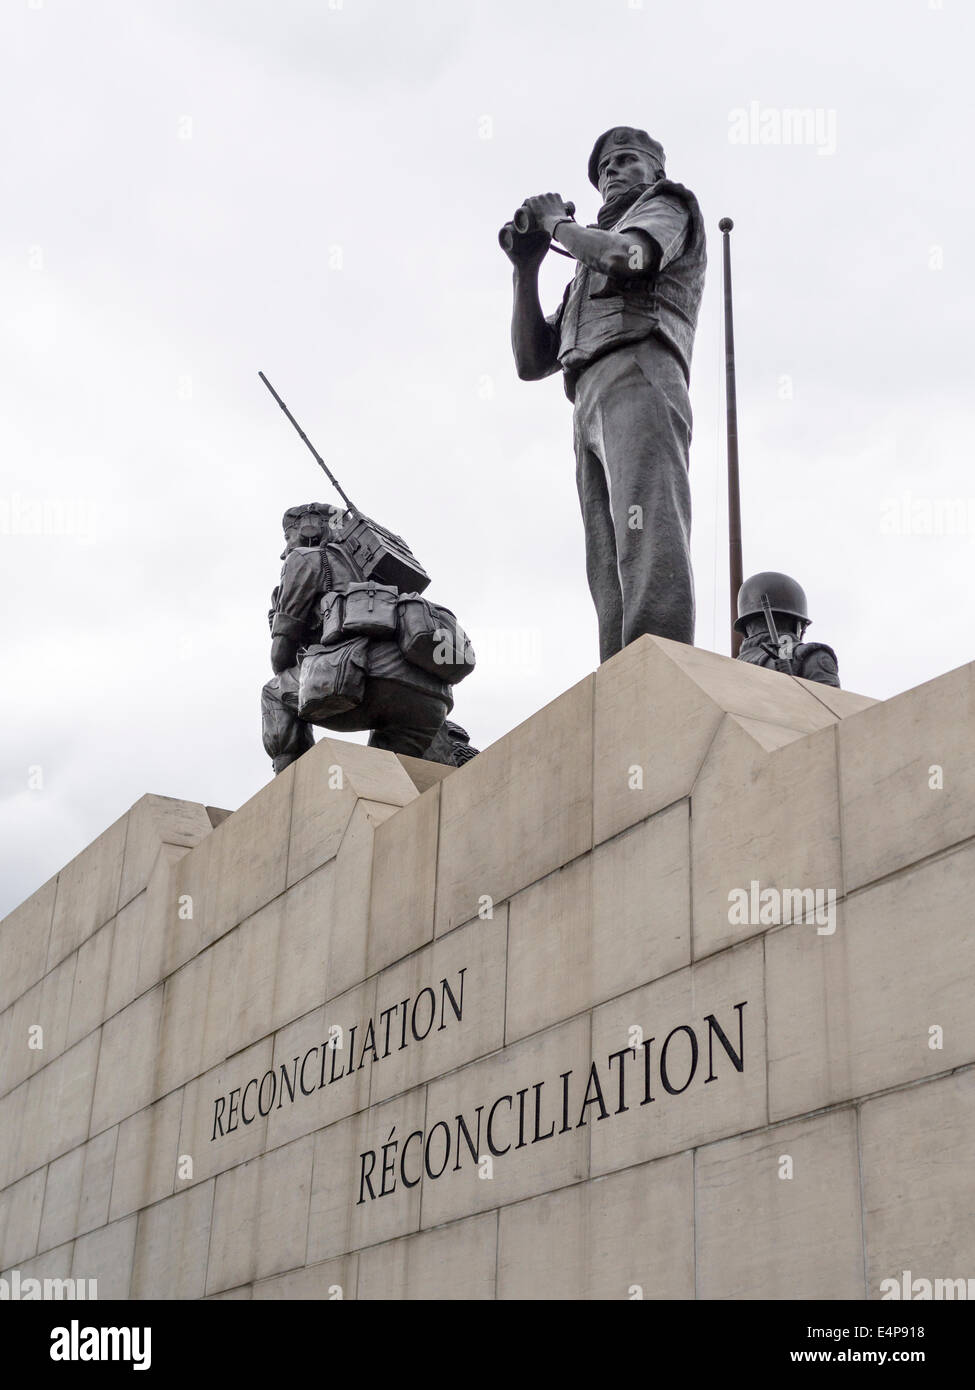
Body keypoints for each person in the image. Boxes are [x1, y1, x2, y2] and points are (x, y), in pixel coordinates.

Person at [501, 125, 707, 661]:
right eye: (604, 168)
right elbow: (530, 361)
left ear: (654, 170)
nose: (612, 171)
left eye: (626, 160)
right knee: (606, 548)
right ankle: (621, 673)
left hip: (638, 372)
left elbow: (627, 259)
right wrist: (526, 267)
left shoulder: (667, 205)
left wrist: (558, 225)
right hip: (586, 398)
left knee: (648, 521)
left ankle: (657, 664)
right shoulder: (582, 263)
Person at [261, 503, 473, 772]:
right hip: (431, 700)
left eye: (287, 537)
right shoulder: (376, 564)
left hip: (366, 680)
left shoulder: (303, 559)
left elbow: (280, 657)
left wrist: (284, 632)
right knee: (382, 777)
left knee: (272, 692)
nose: (284, 551)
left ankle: (295, 789)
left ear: (308, 529)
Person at [734, 572, 841, 688]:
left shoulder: (728, 673)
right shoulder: (813, 657)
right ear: (797, 623)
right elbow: (832, 704)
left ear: (745, 627)